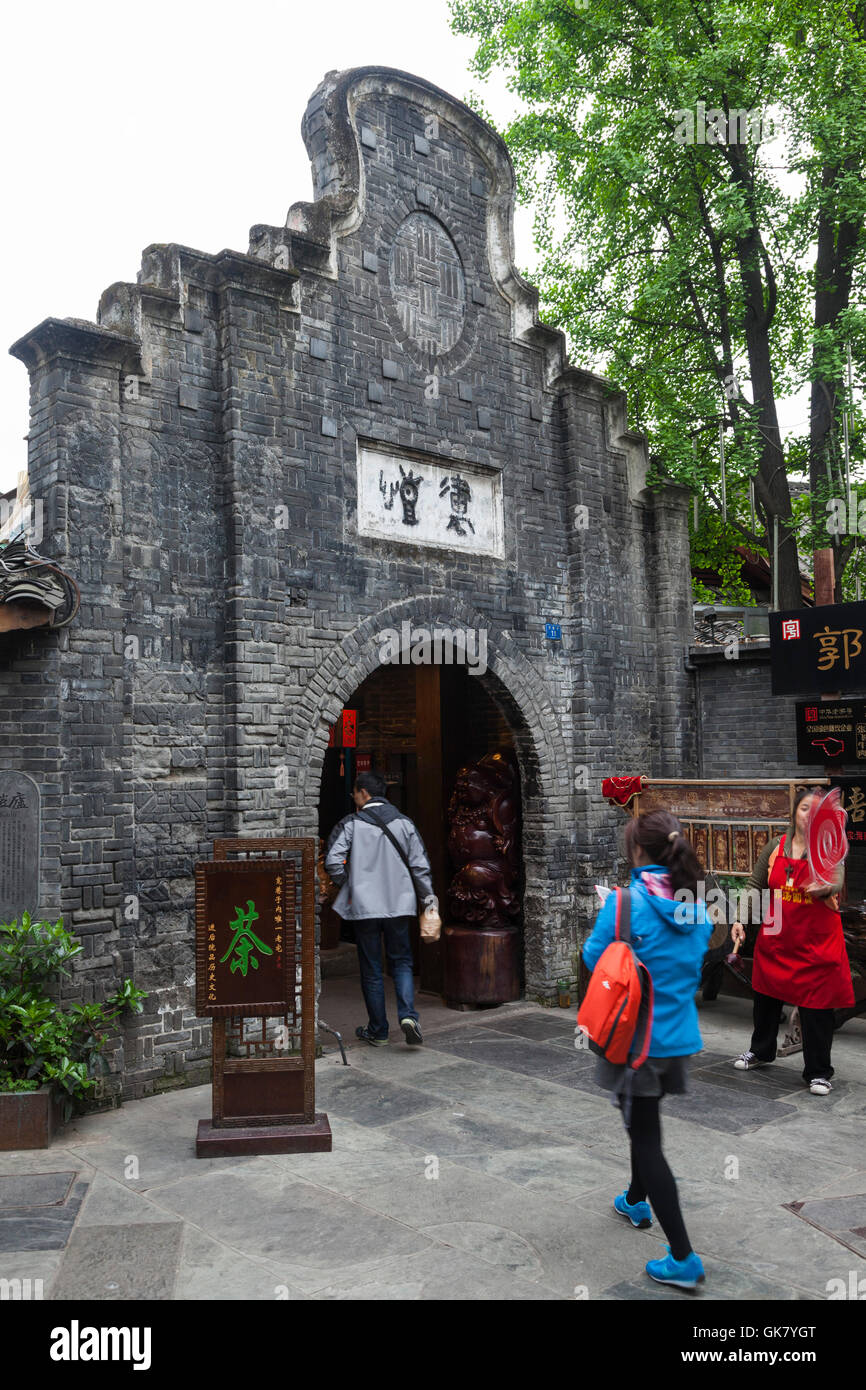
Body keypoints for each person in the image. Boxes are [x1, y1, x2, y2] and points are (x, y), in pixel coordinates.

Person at [582, 810, 712, 1290]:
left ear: (637, 850)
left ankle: (683, 1256)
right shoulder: (696, 906)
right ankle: (635, 1198)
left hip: (635, 1043)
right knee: (643, 1121)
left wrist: (618, 929)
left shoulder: (624, 904)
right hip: (677, 1038)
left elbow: (593, 959)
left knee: (646, 1138)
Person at [731, 785, 853, 1094]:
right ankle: (761, 1051)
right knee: (765, 999)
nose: (809, 815)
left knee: (816, 1008)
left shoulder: (829, 847)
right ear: (794, 812)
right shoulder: (776, 846)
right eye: (804, 808)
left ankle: (818, 1071)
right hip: (777, 938)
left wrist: (824, 887)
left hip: (816, 943)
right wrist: (740, 919)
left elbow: (836, 879)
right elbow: (754, 886)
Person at [324, 770, 436, 1047]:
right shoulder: (405, 823)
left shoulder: (351, 824)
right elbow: (420, 866)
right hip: (399, 905)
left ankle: (379, 1030)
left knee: (372, 968)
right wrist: (428, 902)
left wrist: (350, 885)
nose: (353, 797)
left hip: (365, 907)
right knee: (402, 962)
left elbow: (333, 861)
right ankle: (408, 1016)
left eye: (354, 793)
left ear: (363, 793)